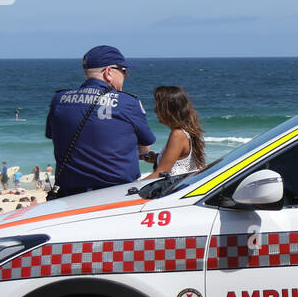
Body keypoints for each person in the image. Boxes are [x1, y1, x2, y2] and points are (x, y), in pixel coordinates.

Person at [46, 45, 156, 196]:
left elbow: (55, 137)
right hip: (117, 193)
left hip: (70, 194)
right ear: (108, 72)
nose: (126, 75)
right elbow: (145, 148)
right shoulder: (129, 103)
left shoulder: (59, 99)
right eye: (123, 70)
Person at [141, 84, 207, 179]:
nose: (155, 111)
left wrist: (129, 189)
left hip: (176, 191)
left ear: (169, 110)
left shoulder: (178, 134)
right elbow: (178, 161)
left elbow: (161, 173)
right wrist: (157, 158)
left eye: (158, 107)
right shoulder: (186, 131)